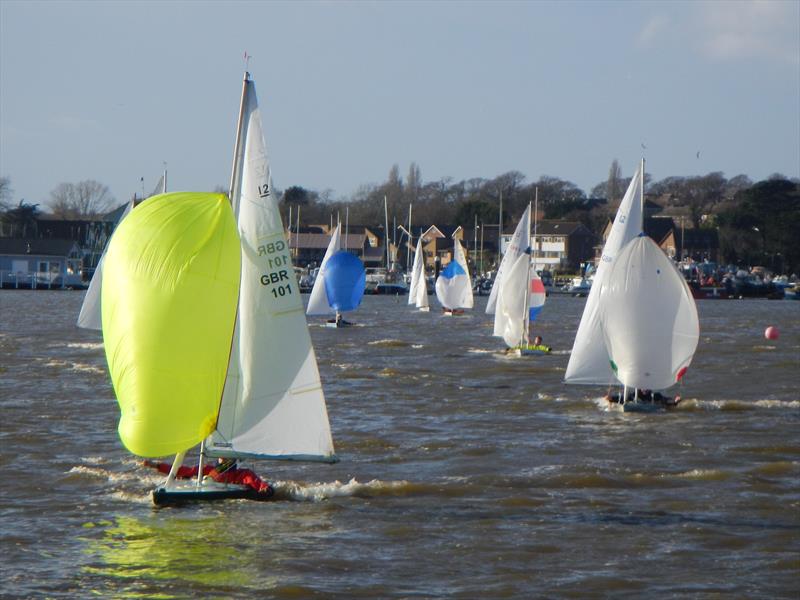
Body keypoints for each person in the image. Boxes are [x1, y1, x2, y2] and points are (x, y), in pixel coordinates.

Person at [143, 457, 274, 496]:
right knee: (188, 474)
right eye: (222, 457)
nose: (224, 459)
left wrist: (265, 488)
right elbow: (183, 470)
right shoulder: (209, 469)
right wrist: (156, 466)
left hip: (223, 494)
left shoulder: (242, 473)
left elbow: (254, 482)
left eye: (228, 458)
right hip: (208, 489)